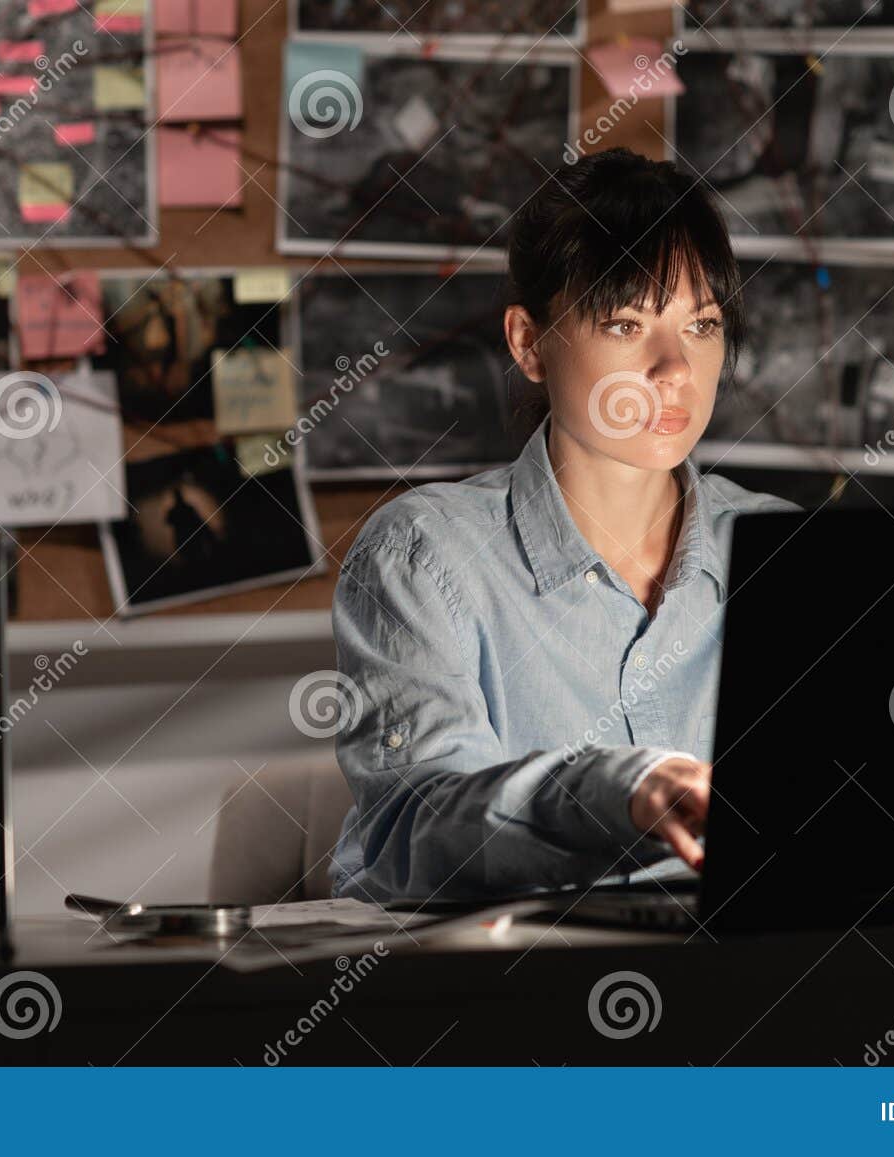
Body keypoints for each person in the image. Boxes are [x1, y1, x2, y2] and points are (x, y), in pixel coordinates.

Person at [329, 148, 800, 903]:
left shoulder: (785, 551)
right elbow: (414, 833)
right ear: (528, 343)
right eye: (625, 323)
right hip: (493, 997)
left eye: (703, 324)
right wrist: (619, 790)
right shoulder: (422, 554)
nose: (673, 368)